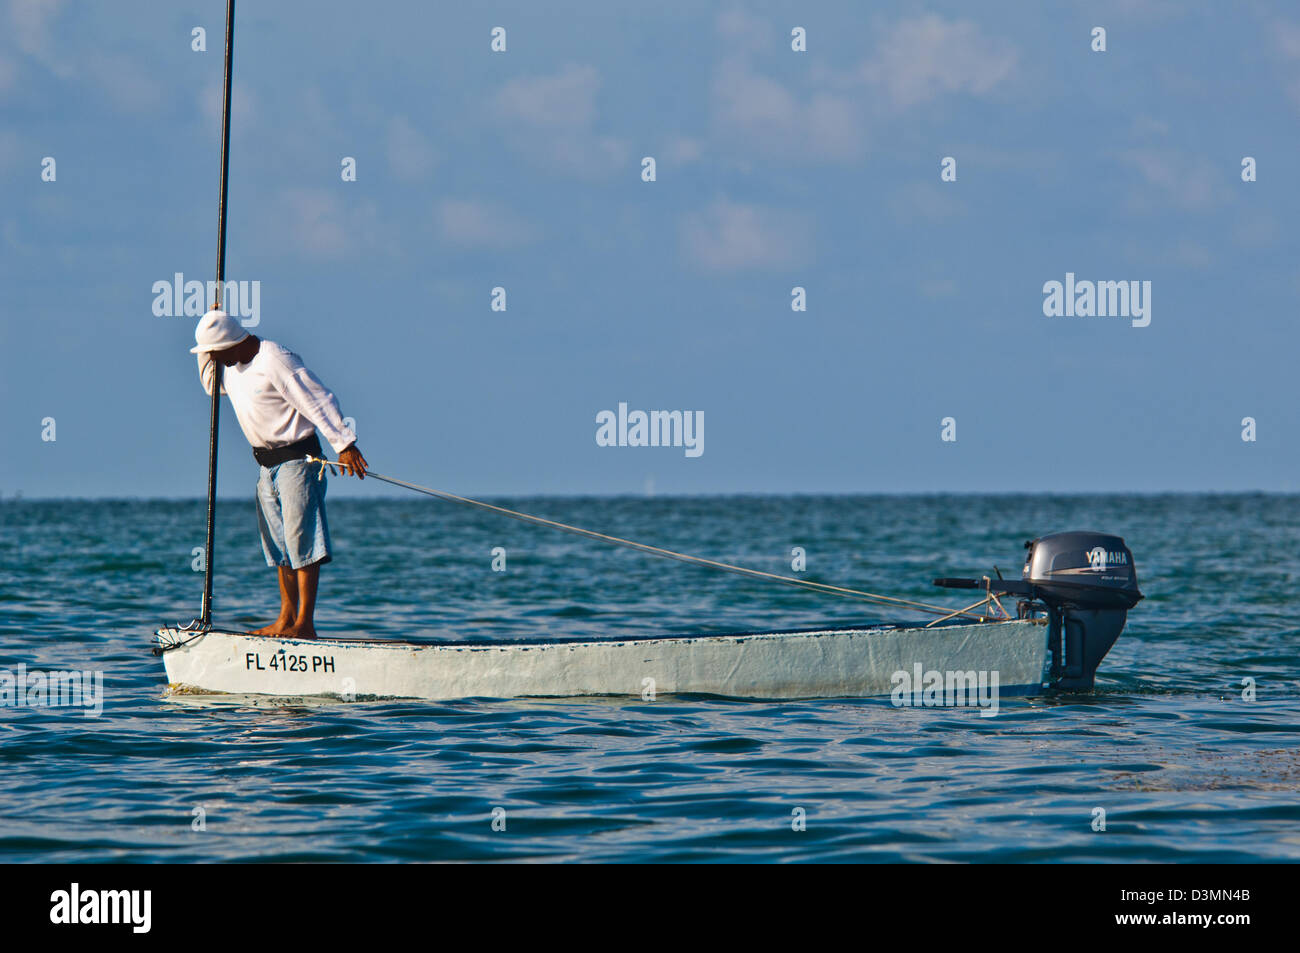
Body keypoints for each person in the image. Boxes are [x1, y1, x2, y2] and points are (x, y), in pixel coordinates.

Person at [192, 307, 368, 639]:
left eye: (216, 352)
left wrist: (344, 442)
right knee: (280, 547)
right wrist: (203, 342)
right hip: (265, 467)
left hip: (298, 462)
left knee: (302, 543)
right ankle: (286, 618)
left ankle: (305, 624)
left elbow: (317, 400)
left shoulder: (274, 359)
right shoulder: (231, 367)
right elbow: (210, 386)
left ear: (231, 343)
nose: (215, 359)